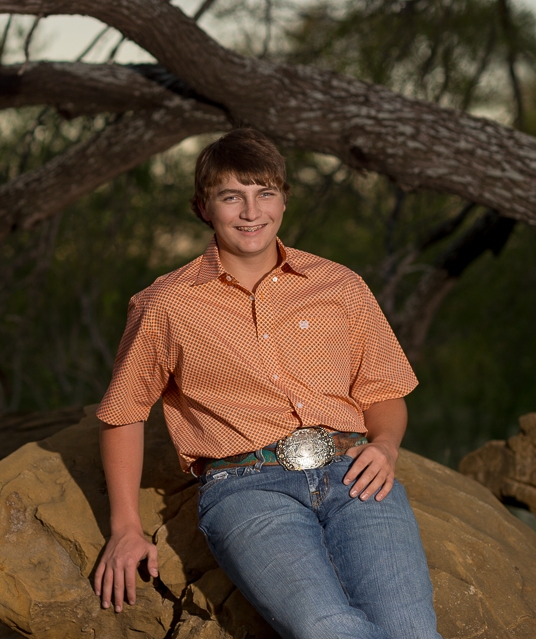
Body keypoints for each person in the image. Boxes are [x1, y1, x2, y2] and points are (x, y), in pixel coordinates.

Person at [92, 128, 441, 639]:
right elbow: (123, 412)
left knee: (411, 631)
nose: (251, 212)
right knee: (329, 630)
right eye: (232, 197)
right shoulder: (166, 304)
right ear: (204, 207)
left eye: (265, 193)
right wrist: (125, 528)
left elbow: (383, 392)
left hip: (353, 474)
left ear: (283, 200)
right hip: (247, 489)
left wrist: (385, 446)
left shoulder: (340, 286)